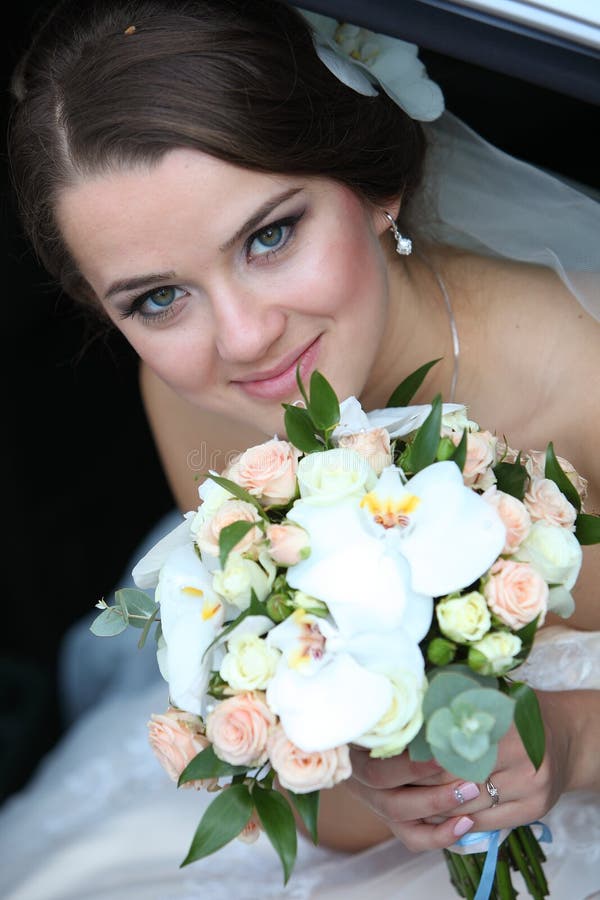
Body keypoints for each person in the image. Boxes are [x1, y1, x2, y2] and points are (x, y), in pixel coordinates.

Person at [2, 0, 599, 897]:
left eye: (270, 236)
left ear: (376, 185)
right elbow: (307, 763)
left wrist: (572, 742)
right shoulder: (191, 402)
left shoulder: (585, 375)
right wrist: (361, 769)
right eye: (158, 299)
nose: (243, 340)